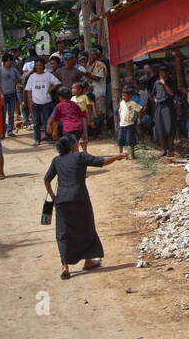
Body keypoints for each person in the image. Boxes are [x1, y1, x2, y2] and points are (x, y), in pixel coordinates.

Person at [43, 134, 129, 280]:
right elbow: (102, 161)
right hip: (79, 197)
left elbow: (46, 180)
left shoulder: (56, 160)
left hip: (62, 200)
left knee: (63, 233)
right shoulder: (80, 156)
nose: (78, 144)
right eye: (76, 143)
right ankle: (88, 260)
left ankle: (65, 266)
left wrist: (53, 197)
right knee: (86, 228)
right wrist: (119, 155)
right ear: (72, 146)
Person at [25, 58, 61, 144]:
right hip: (35, 102)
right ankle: (37, 139)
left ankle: (49, 137)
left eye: (40, 65)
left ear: (43, 66)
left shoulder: (48, 75)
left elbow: (58, 83)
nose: (39, 67)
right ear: (35, 66)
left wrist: (50, 89)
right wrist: (30, 100)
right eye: (37, 65)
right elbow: (28, 90)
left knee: (47, 121)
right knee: (36, 122)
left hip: (46, 102)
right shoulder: (32, 77)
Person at [150, 68, 176, 157]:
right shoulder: (156, 83)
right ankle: (163, 150)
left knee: (169, 128)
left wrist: (164, 83)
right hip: (158, 106)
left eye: (162, 72)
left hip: (167, 106)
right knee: (159, 128)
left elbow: (172, 93)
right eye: (160, 72)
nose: (160, 74)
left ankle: (171, 149)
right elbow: (153, 94)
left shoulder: (171, 81)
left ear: (166, 73)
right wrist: (155, 100)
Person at [0, 54, 22, 136]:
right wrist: (0, 93)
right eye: (8, 61)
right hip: (3, 95)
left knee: (11, 113)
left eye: (11, 61)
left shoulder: (14, 71)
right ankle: (2, 131)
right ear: (5, 61)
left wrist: (19, 84)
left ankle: (10, 130)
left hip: (12, 94)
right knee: (2, 114)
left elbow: (19, 80)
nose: (10, 62)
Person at [117, 86, 143, 157]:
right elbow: (120, 111)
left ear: (130, 96)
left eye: (125, 96)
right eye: (122, 95)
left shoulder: (132, 103)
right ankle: (120, 154)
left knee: (131, 140)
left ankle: (132, 154)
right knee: (120, 140)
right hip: (122, 124)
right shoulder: (121, 103)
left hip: (130, 124)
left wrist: (138, 118)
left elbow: (139, 110)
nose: (123, 97)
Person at [87, 45, 109, 131]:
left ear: (98, 56)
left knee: (101, 113)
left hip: (99, 93)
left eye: (94, 55)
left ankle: (102, 131)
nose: (92, 57)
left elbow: (98, 78)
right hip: (91, 94)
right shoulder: (90, 66)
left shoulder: (101, 65)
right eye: (90, 55)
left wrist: (86, 74)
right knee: (92, 114)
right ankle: (96, 132)